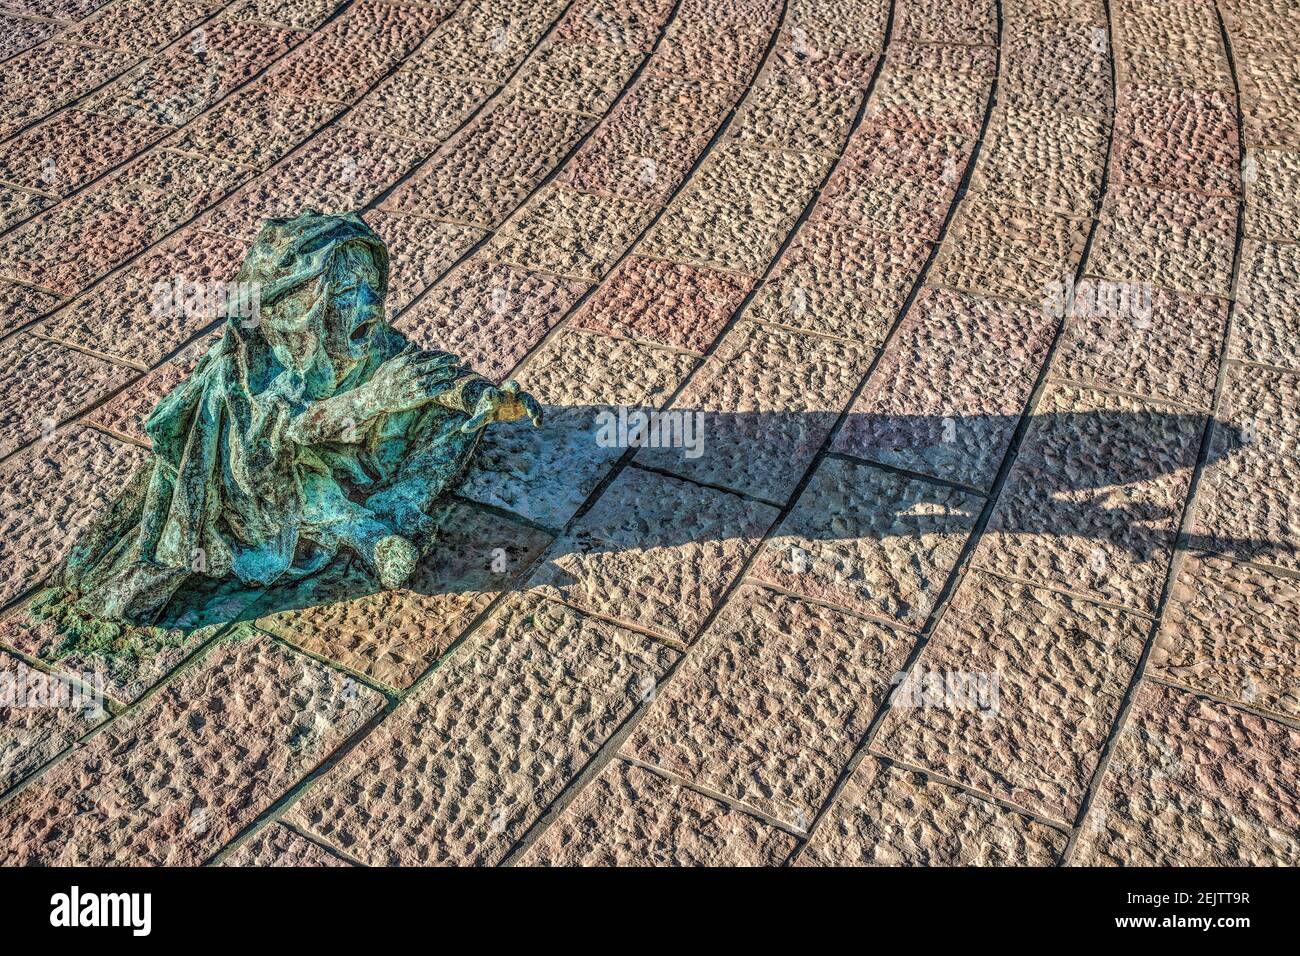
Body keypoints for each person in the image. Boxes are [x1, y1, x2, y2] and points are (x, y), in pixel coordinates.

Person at [56, 210, 541, 626]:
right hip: (287, 482)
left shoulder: (371, 340)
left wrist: (483, 397)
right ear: (301, 306)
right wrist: (371, 399)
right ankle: (367, 534)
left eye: (372, 288)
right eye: (346, 292)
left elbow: (426, 373)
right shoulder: (258, 366)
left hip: (364, 456)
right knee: (296, 481)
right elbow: (274, 442)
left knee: (451, 424)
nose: (369, 304)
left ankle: (399, 507)